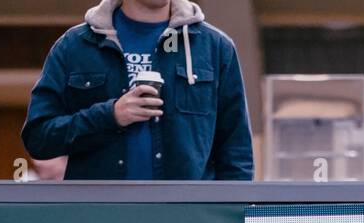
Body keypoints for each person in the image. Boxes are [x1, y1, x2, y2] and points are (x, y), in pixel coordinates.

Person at [22, 0, 253, 181]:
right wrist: (110, 115)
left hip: (187, 222)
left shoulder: (215, 48)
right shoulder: (75, 46)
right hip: (98, 220)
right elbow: (38, 137)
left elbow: (237, 155)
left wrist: (228, 220)